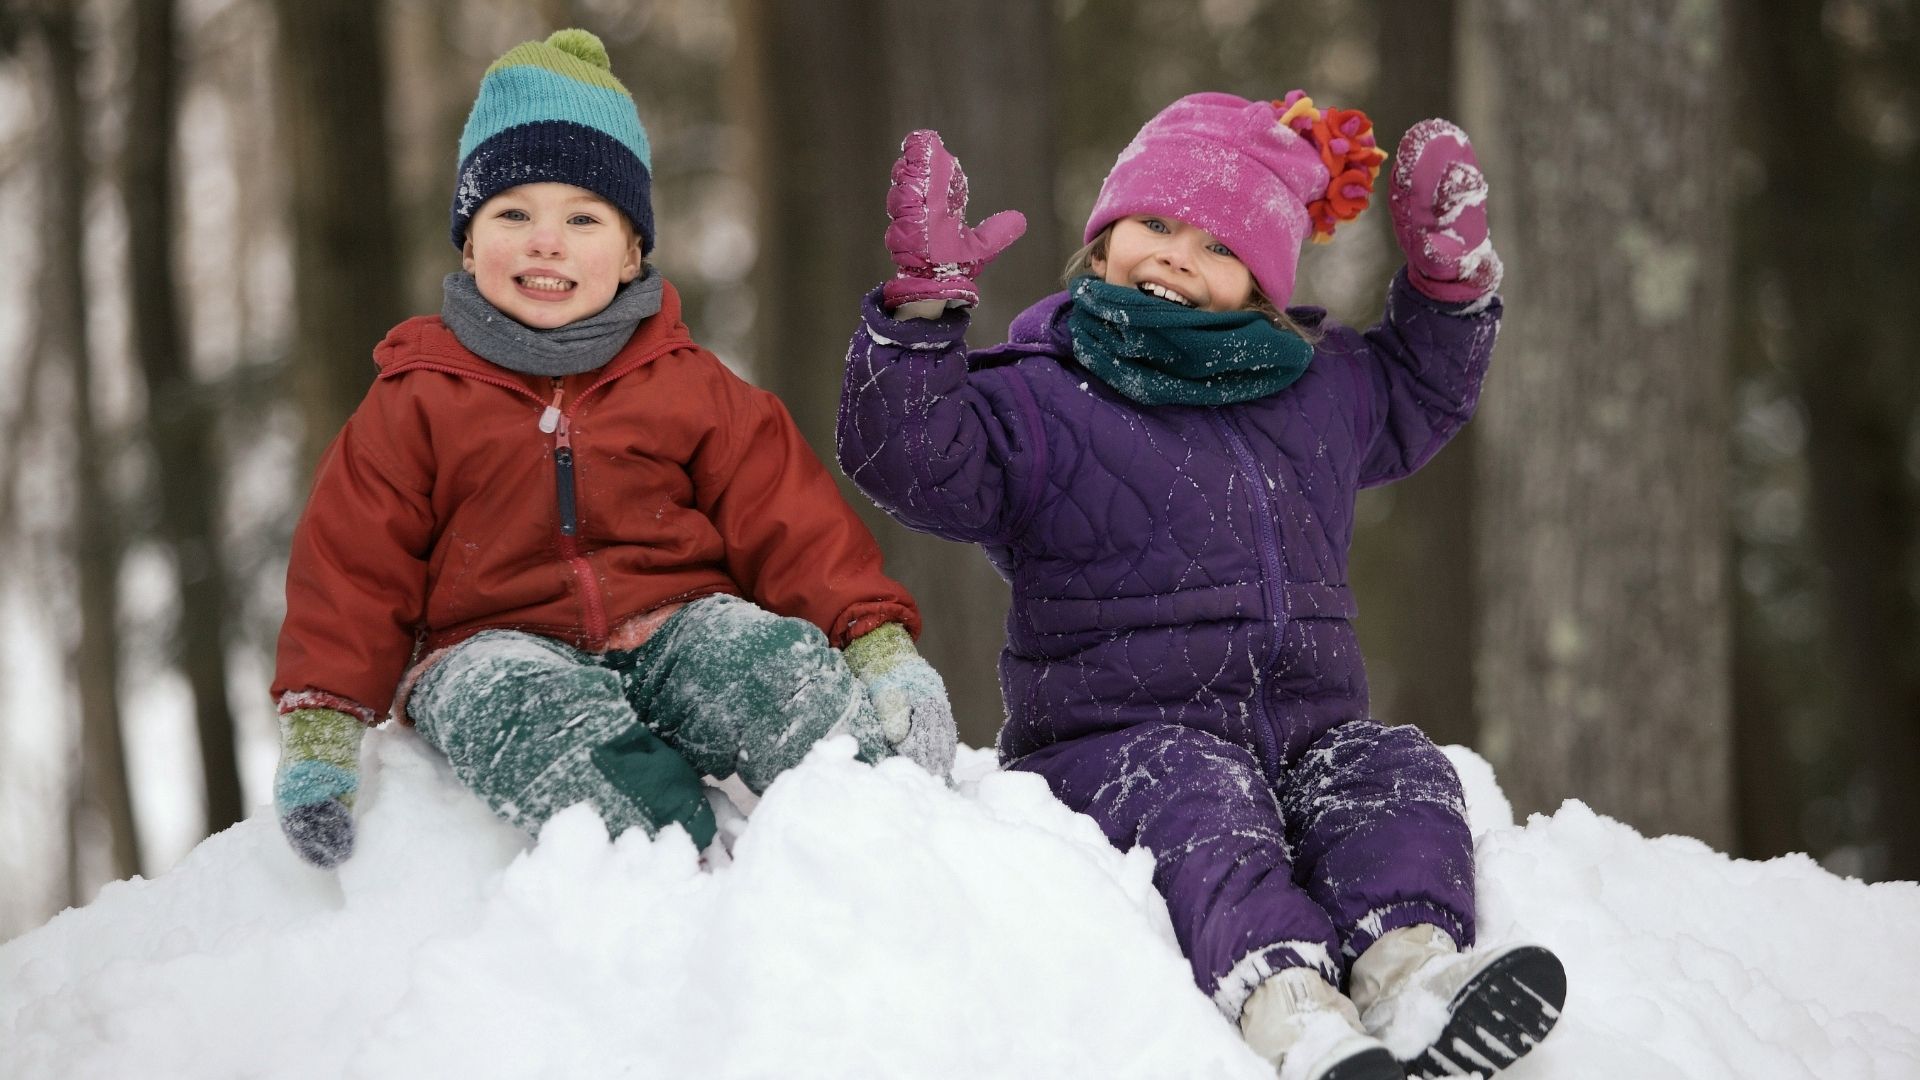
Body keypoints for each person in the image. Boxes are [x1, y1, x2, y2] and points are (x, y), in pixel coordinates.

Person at [839, 92, 1564, 1079]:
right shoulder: (1043, 395)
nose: (1178, 255)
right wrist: (923, 311)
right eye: (1156, 224)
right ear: (1104, 242)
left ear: (1264, 284)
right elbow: (910, 458)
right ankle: (1289, 1003)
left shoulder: (1316, 388)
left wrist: (1448, 287)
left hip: (1306, 733)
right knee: (1201, 806)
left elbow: (1421, 388)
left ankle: (1411, 966)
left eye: (1220, 246)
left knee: (1395, 768)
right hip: (1116, 743)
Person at [271, 29, 955, 873]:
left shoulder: (687, 383)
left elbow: (793, 523)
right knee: (511, 711)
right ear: (469, 242)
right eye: (512, 213)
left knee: (763, 662)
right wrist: (322, 731)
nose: (545, 241)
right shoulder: (415, 398)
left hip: (677, 626)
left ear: (632, 252)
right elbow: (352, 567)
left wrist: (879, 648)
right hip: (492, 647)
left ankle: (891, 829)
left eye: (582, 218)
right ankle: (669, 867)